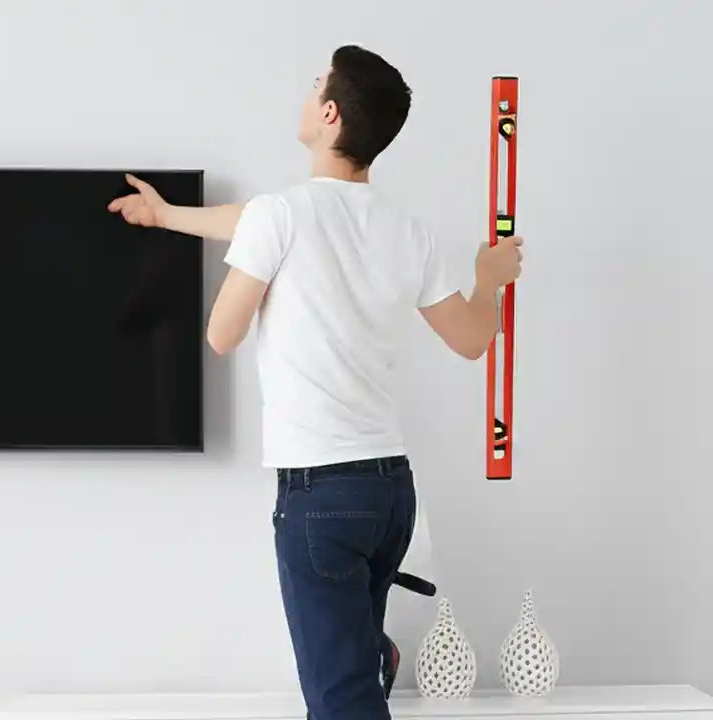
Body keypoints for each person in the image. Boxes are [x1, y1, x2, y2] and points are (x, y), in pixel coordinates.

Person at [108, 45, 524, 720]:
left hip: (320, 494)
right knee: (345, 676)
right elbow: (473, 339)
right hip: (390, 491)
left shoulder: (282, 216)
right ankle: (371, 653)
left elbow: (222, 333)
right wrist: (489, 281)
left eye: (314, 86)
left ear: (329, 114)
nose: (306, 93)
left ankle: (366, 661)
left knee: (340, 704)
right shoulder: (403, 230)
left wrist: (263, 280)